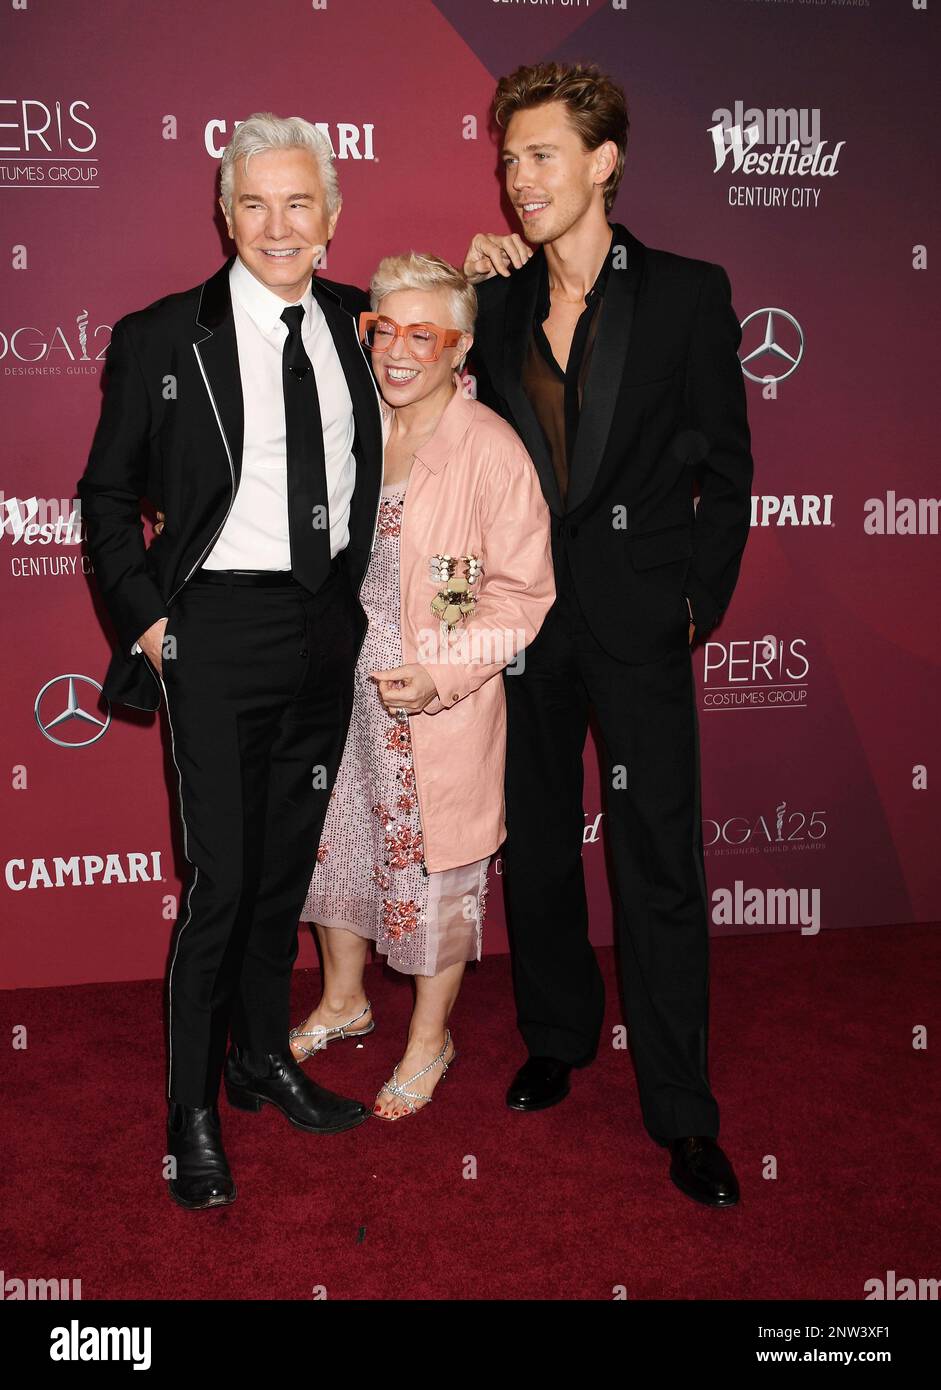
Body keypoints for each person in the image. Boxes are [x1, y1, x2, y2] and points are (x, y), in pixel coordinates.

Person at [77, 113, 384, 1209]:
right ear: (224, 214)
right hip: (214, 632)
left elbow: (458, 328)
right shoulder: (165, 336)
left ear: (332, 219)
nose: (276, 224)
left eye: (298, 203)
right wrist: (153, 624)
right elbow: (106, 497)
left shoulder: (363, 325)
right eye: (252, 202)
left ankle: (261, 1058)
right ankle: (191, 1110)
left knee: (279, 874)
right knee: (219, 883)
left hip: (323, 631)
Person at [461, 62, 753, 1206]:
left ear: (601, 163)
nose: (517, 179)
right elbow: (411, 367)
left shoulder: (685, 292)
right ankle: (556, 1036)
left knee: (656, 860)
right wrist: (465, 272)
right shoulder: (493, 301)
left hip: (637, 613)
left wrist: (695, 601)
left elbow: (725, 470)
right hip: (526, 617)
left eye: (539, 156)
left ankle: (682, 1109)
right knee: (534, 838)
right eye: (507, 159)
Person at [287, 253, 556, 1118]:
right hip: (340, 692)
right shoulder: (355, 422)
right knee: (339, 851)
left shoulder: (490, 448)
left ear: (460, 345)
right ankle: (342, 999)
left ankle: (429, 1038)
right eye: (382, 330)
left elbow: (524, 595)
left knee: (434, 872)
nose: (399, 352)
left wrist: (441, 673)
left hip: (430, 701)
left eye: (422, 335)